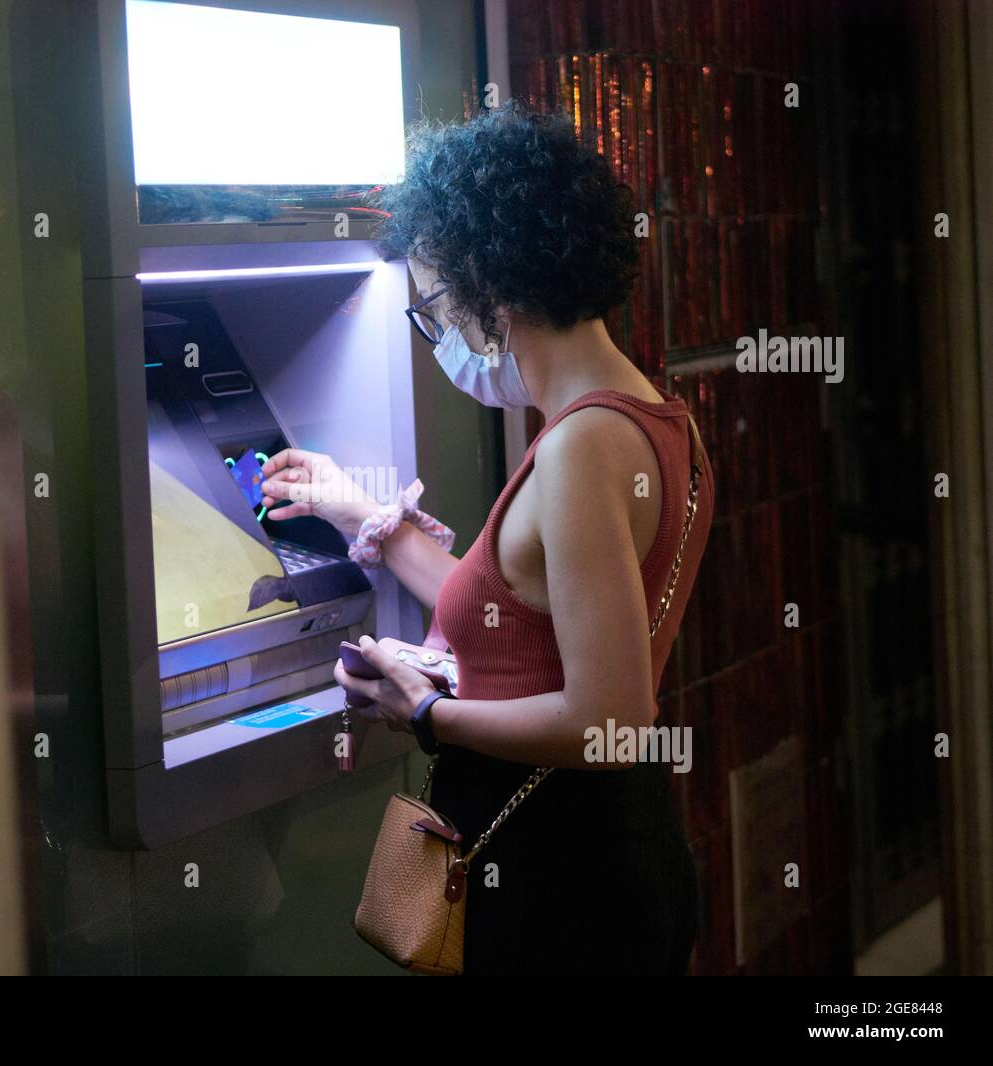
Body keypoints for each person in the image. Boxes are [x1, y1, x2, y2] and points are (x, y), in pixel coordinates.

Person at [258, 102, 716, 975]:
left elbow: (609, 716)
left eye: (431, 305)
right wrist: (359, 513)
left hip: (560, 883)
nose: (436, 333)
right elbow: (522, 605)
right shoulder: (657, 424)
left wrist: (426, 713)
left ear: (492, 295)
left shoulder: (580, 449)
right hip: (611, 855)